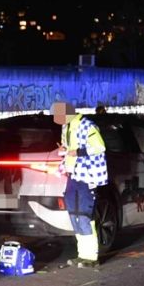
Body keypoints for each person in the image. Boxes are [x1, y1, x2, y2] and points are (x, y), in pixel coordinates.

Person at [53, 101, 107, 268]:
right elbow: (68, 148)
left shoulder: (87, 125)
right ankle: (82, 254)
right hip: (72, 175)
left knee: (84, 215)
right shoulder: (66, 127)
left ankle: (91, 257)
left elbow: (99, 147)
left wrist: (77, 152)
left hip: (86, 176)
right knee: (75, 215)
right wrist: (64, 150)